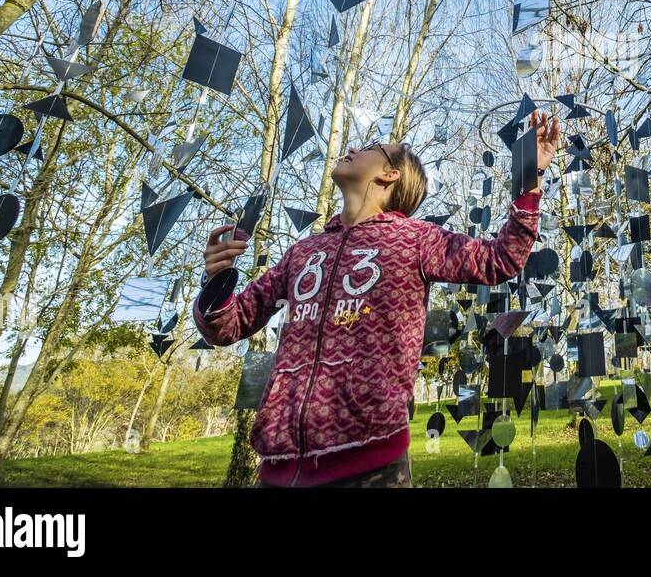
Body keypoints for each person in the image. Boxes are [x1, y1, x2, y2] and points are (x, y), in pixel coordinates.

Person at [195, 110, 561, 488]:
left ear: (389, 176)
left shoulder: (417, 240)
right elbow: (226, 327)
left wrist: (528, 176)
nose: (354, 147)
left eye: (372, 147)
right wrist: (216, 282)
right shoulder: (303, 252)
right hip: (278, 470)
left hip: (372, 467)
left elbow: (500, 259)